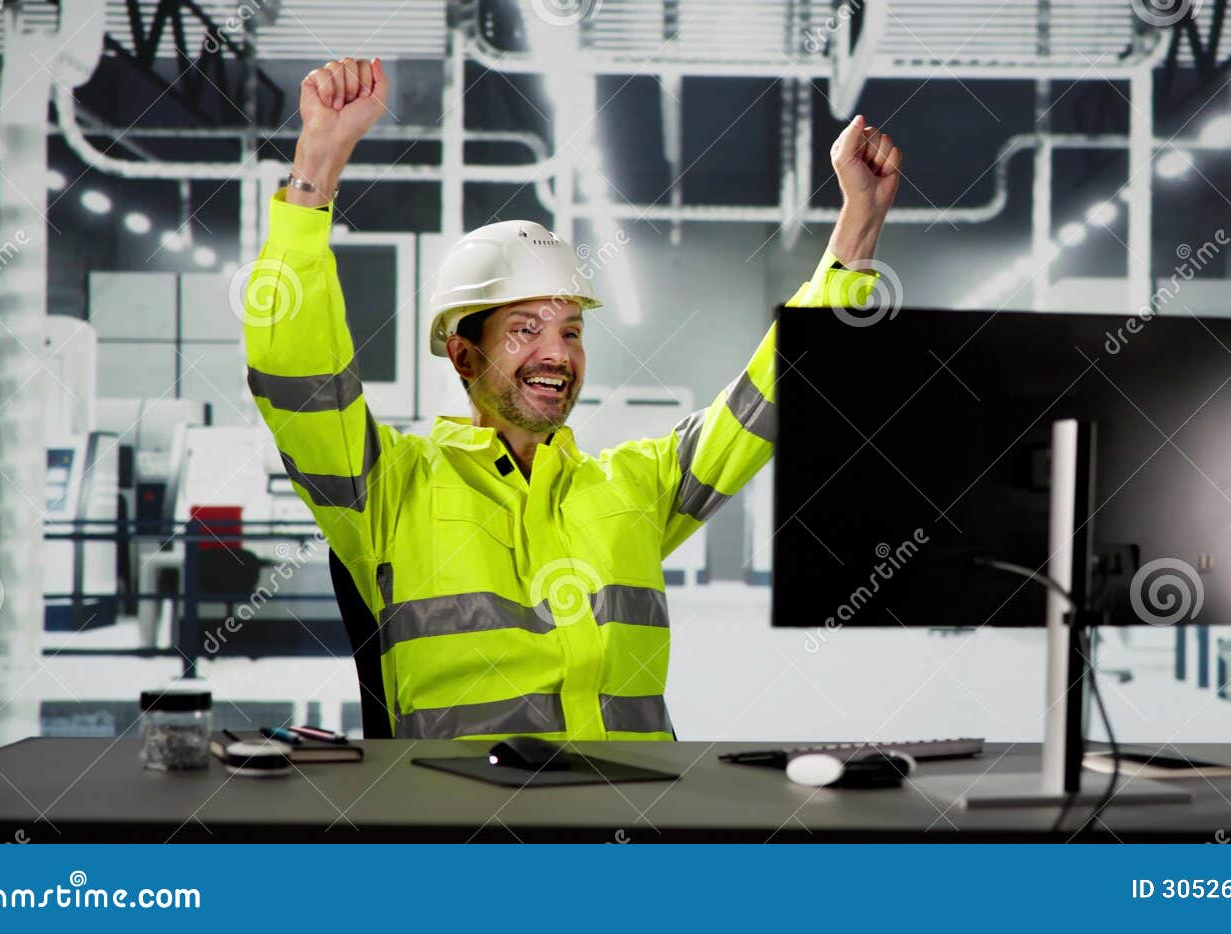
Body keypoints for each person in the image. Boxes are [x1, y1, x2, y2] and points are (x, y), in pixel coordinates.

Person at [244, 56, 903, 740]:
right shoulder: (387, 491)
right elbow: (297, 371)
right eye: (525, 330)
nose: (556, 353)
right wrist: (317, 162)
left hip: (638, 824)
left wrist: (858, 226)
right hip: (463, 828)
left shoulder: (634, 485)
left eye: (571, 330)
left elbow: (768, 398)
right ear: (463, 354)